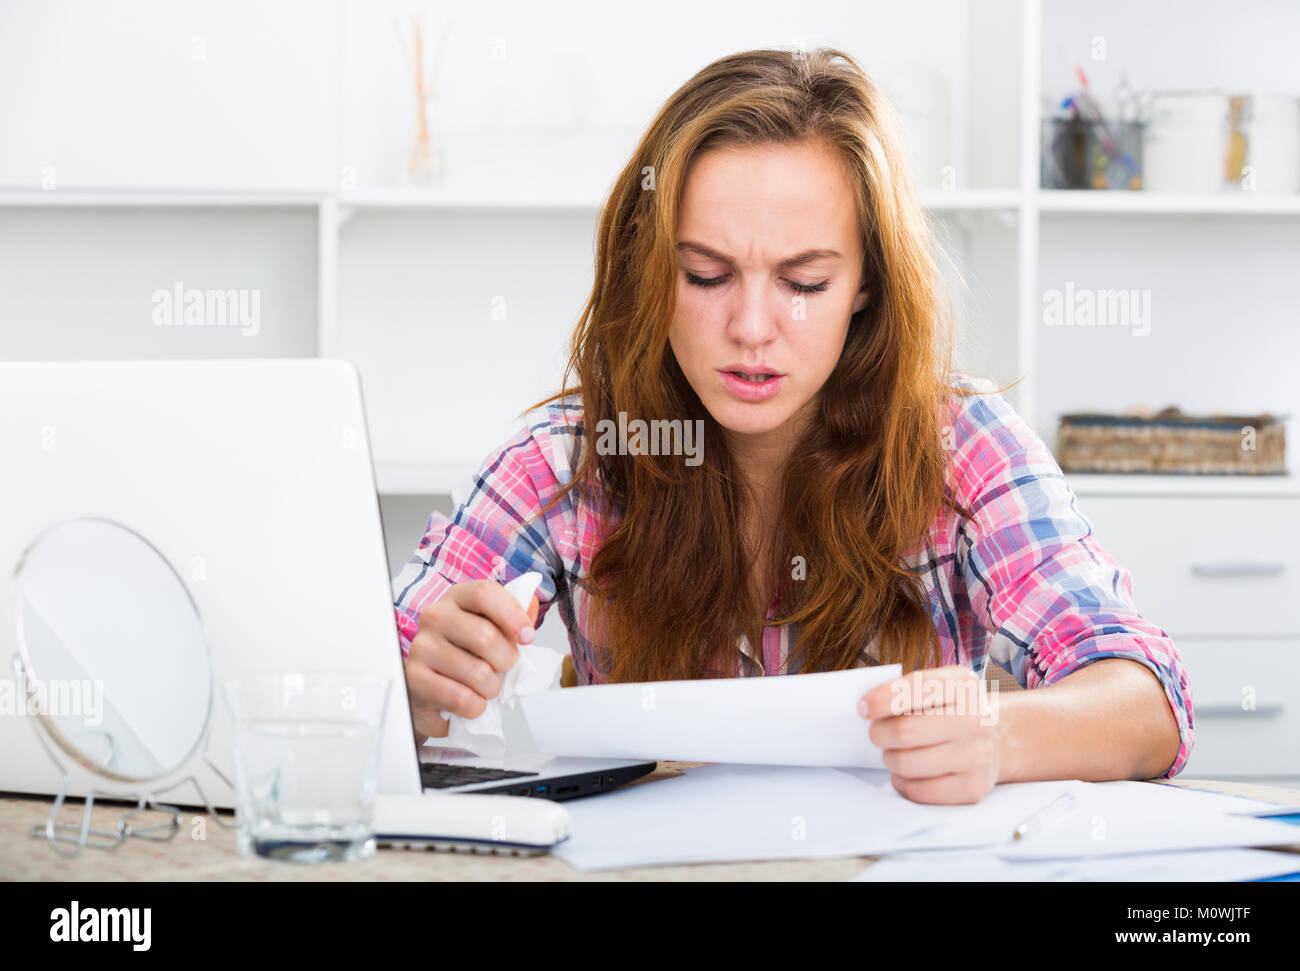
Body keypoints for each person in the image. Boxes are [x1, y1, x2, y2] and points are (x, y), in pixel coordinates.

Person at [392, 47, 1193, 805]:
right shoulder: (570, 460)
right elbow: (363, 678)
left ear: (867, 284)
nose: (750, 326)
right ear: (650, 270)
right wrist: (419, 680)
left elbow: (1146, 701)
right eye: (705, 274)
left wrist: (1001, 736)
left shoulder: (963, 448)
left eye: (803, 280)